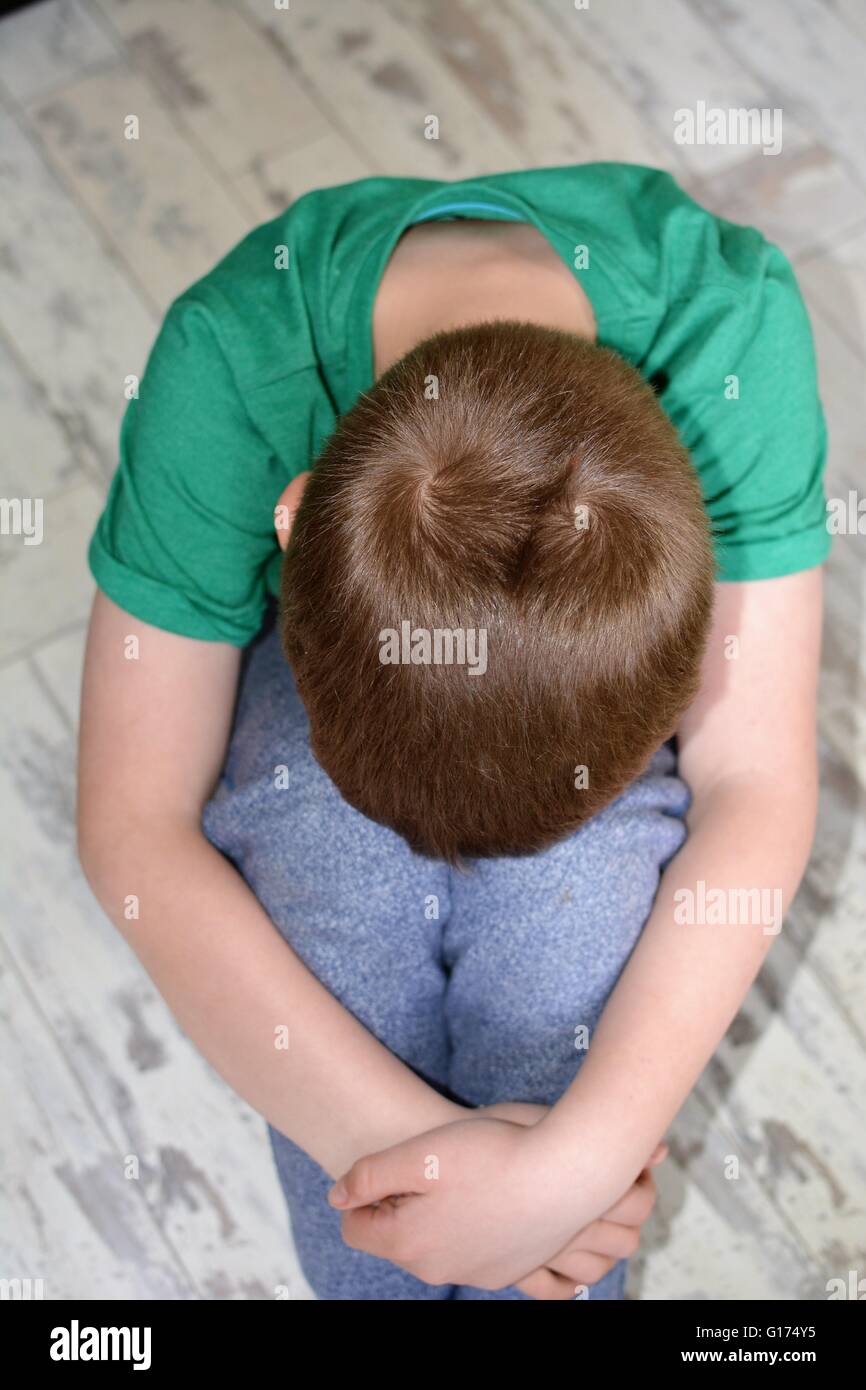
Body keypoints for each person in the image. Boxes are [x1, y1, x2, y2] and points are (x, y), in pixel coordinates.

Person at [77, 165, 827, 1299]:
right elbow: (132, 822)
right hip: (372, 650)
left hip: (506, 677)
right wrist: (406, 1171)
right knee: (330, 883)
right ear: (291, 516)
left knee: (567, 922)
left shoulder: (727, 331)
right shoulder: (226, 368)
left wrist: (559, 1176)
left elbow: (756, 778)